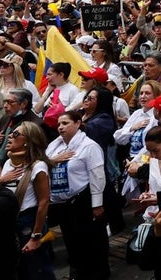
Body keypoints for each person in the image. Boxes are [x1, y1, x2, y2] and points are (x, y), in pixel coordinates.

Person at [46, 110, 110, 280]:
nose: (60, 127)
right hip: (61, 203)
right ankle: (78, 272)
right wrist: (54, 161)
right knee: (71, 242)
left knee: (91, 241)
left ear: (78, 123)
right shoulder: (54, 146)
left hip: (82, 200)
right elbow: (42, 163)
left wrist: (97, 204)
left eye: (65, 123)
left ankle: (97, 274)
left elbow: (97, 175)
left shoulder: (89, 146)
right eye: (59, 124)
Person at [0, 121, 54, 280]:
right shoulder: (8, 162)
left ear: (28, 141)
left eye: (16, 134)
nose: (10, 137)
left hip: (28, 223)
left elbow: (44, 202)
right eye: (11, 133)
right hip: (10, 222)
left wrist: (36, 236)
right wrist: (0, 181)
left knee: (36, 269)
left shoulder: (38, 167)